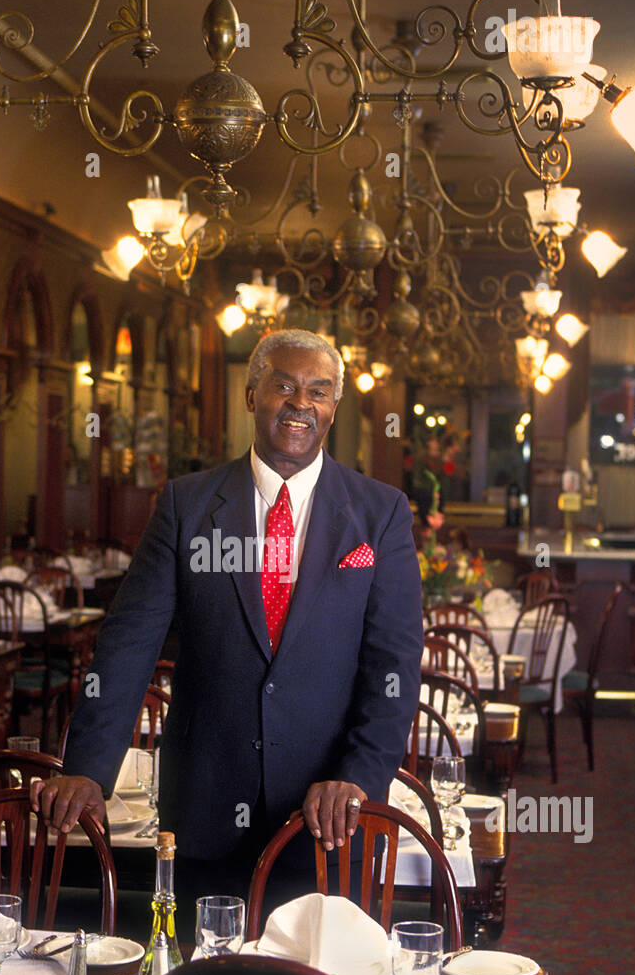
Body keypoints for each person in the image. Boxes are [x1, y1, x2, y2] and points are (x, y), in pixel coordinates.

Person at [33, 329, 423, 934]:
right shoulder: (186, 505)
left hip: (325, 816)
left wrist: (357, 777)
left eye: (318, 392)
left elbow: (393, 666)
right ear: (251, 395)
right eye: (285, 386)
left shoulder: (381, 512)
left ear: (334, 409)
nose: (301, 404)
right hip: (207, 804)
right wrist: (86, 765)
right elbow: (128, 641)